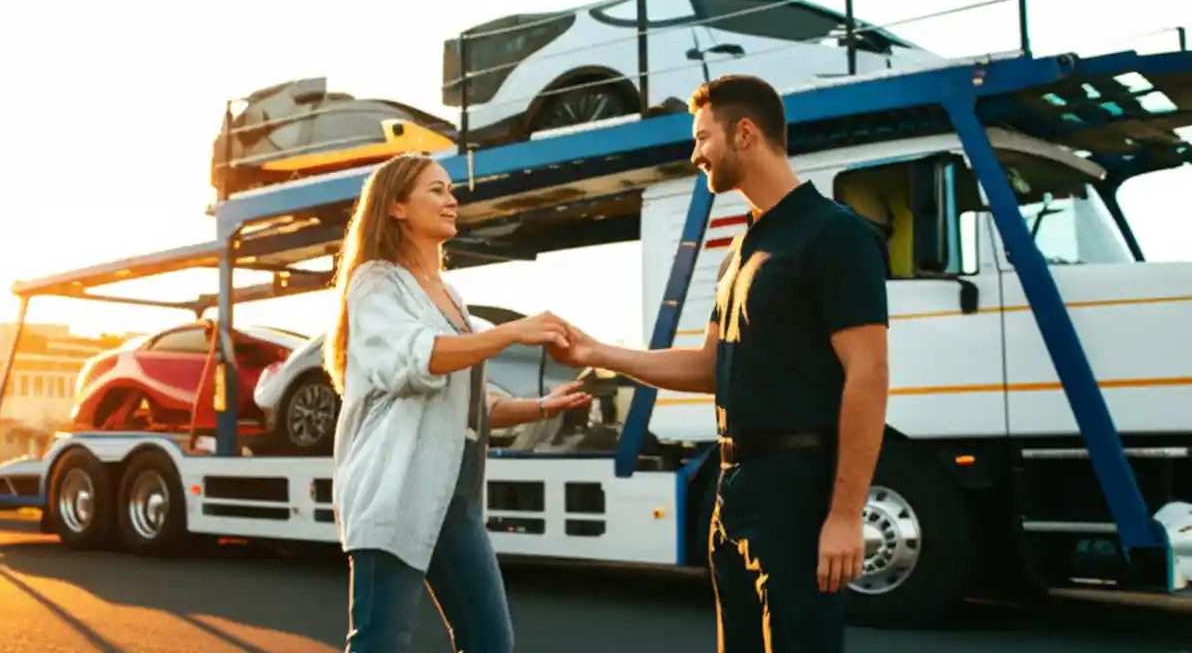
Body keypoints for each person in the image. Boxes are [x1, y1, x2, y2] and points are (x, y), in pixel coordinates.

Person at [549, 74, 890, 652]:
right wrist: (597, 353)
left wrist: (845, 513)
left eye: (703, 138)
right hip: (734, 487)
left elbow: (868, 375)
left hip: (798, 490)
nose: (695, 154)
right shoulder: (744, 246)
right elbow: (710, 366)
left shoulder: (834, 234)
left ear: (746, 134)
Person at [323, 153, 594, 653]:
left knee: (490, 641)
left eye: (451, 190)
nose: (453, 200)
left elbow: (467, 406)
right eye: (437, 190)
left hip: (456, 499)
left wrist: (540, 406)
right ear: (398, 207)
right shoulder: (376, 282)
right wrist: (512, 332)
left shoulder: (450, 296)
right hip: (398, 489)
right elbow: (415, 361)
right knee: (380, 643)